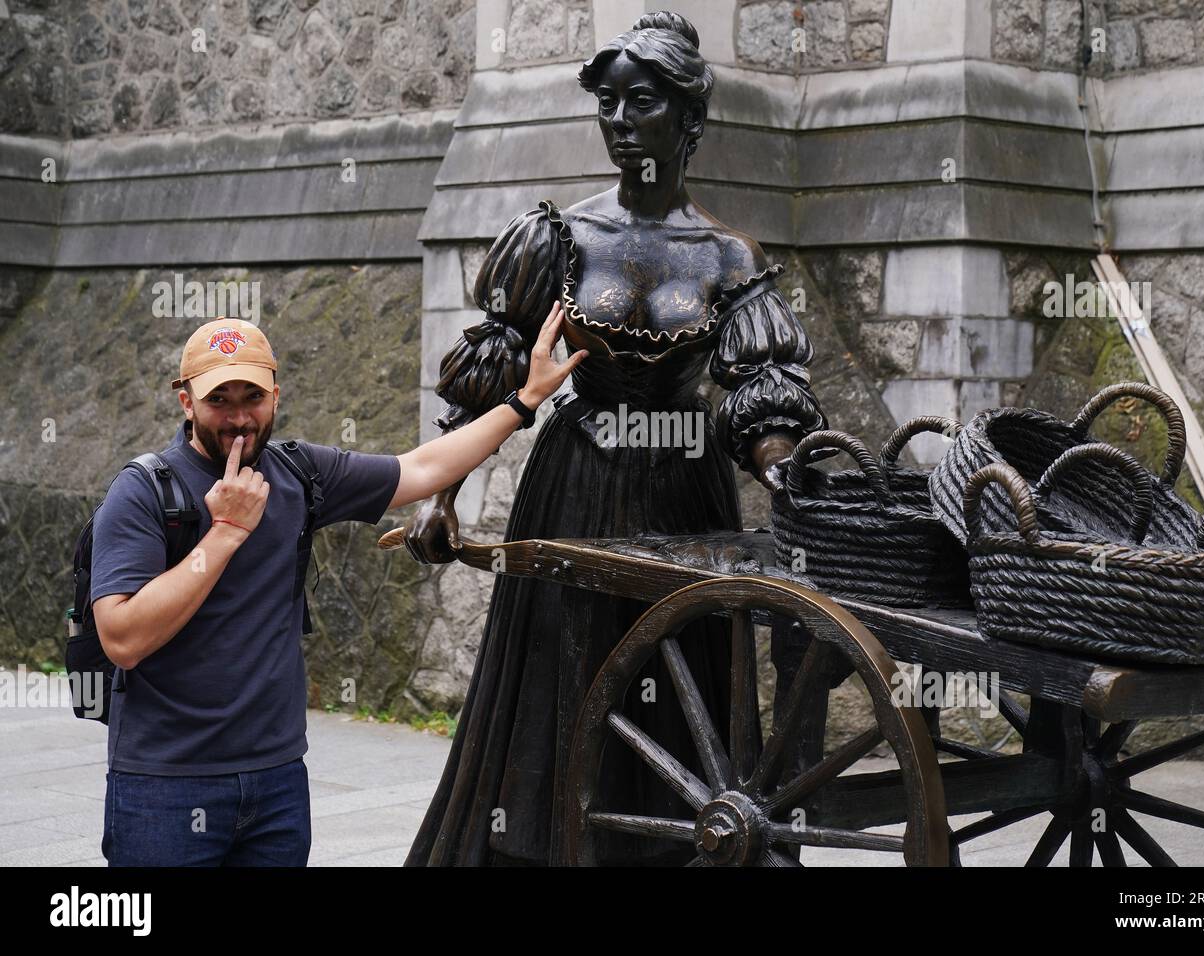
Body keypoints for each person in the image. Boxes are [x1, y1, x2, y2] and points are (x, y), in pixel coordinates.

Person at [403, 11, 828, 866]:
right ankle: (548, 847)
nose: (620, 120)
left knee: (684, 697)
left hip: (686, 495)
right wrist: (439, 502)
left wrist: (787, 480)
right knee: (565, 689)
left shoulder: (726, 258)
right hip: (578, 489)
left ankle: (673, 849)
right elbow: (491, 378)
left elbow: (766, 398)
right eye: (608, 103)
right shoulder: (557, 239)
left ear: (690, 120)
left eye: (642, 102)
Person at [91, 312, 582, 866]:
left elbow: (421, 469)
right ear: (186, 402)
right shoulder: (145, 491)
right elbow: (123, 639)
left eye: (250, 397)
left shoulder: (300, 473)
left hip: (277, 781)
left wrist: (524, 401)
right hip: (167, 788)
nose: (237, 419)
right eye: (218, 400)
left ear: (275, 395)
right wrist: (226, 532)